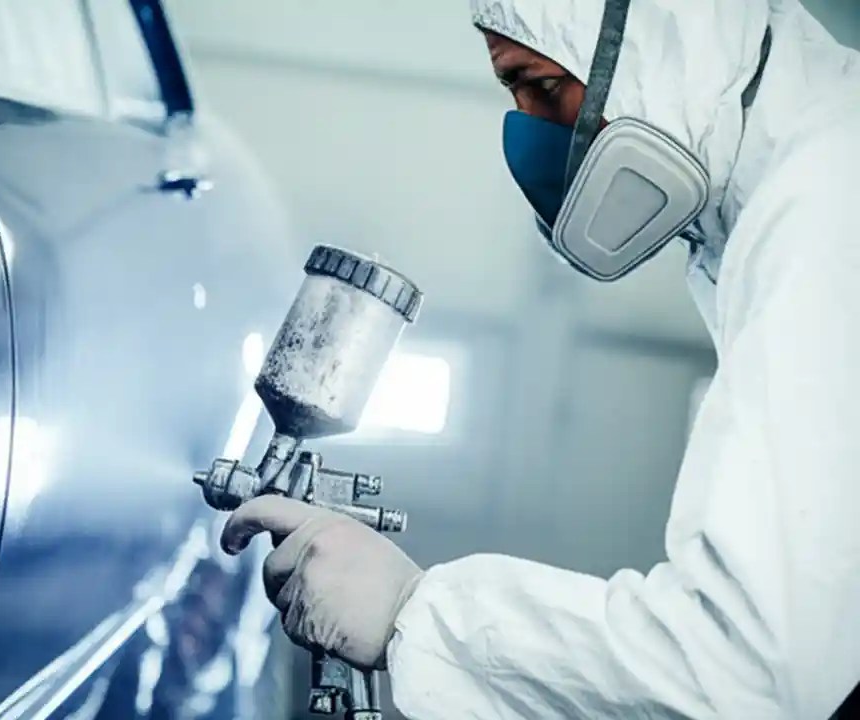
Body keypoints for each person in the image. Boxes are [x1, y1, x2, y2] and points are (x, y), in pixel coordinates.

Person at [220, 0, 860, 717]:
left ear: (665, 38)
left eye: (543, 87)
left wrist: (415, 613)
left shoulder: (827, 203)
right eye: (513, 95)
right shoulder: (787, 187)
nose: (534, 132)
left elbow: (741, 672)